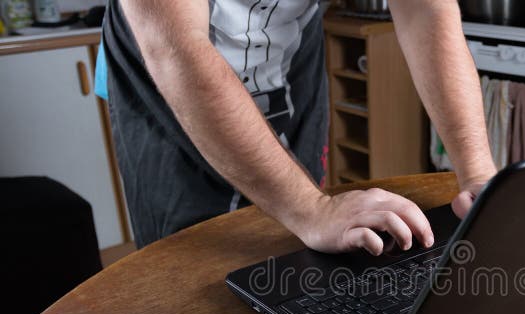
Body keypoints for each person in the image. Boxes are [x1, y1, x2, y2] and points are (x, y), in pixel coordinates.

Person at [102, 0, 496, 254]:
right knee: (191, 255)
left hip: (286, 56)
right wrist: (312, 210)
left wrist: (477, 173)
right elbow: (178, 50)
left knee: (299, 247)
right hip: (165, 71)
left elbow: (426, 11)